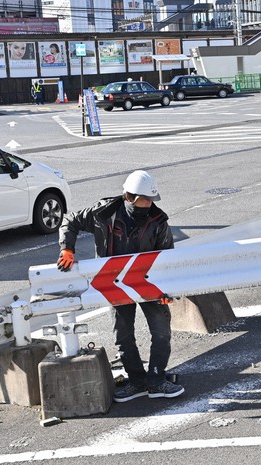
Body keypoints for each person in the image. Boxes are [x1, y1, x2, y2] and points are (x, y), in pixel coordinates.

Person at [56, 170, 184, 403]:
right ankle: (137, 381)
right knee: (123, 335)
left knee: (161, 332)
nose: (148, 204)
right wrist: (67, 248)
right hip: (115, 283)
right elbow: (70, 220)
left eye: (150, 200)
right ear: (128, 197)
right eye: (143, 200)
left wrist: (167, 290)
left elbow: (166, 257)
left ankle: (156, 380)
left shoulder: (158, 220)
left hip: (148, 282)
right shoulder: (103, 213)